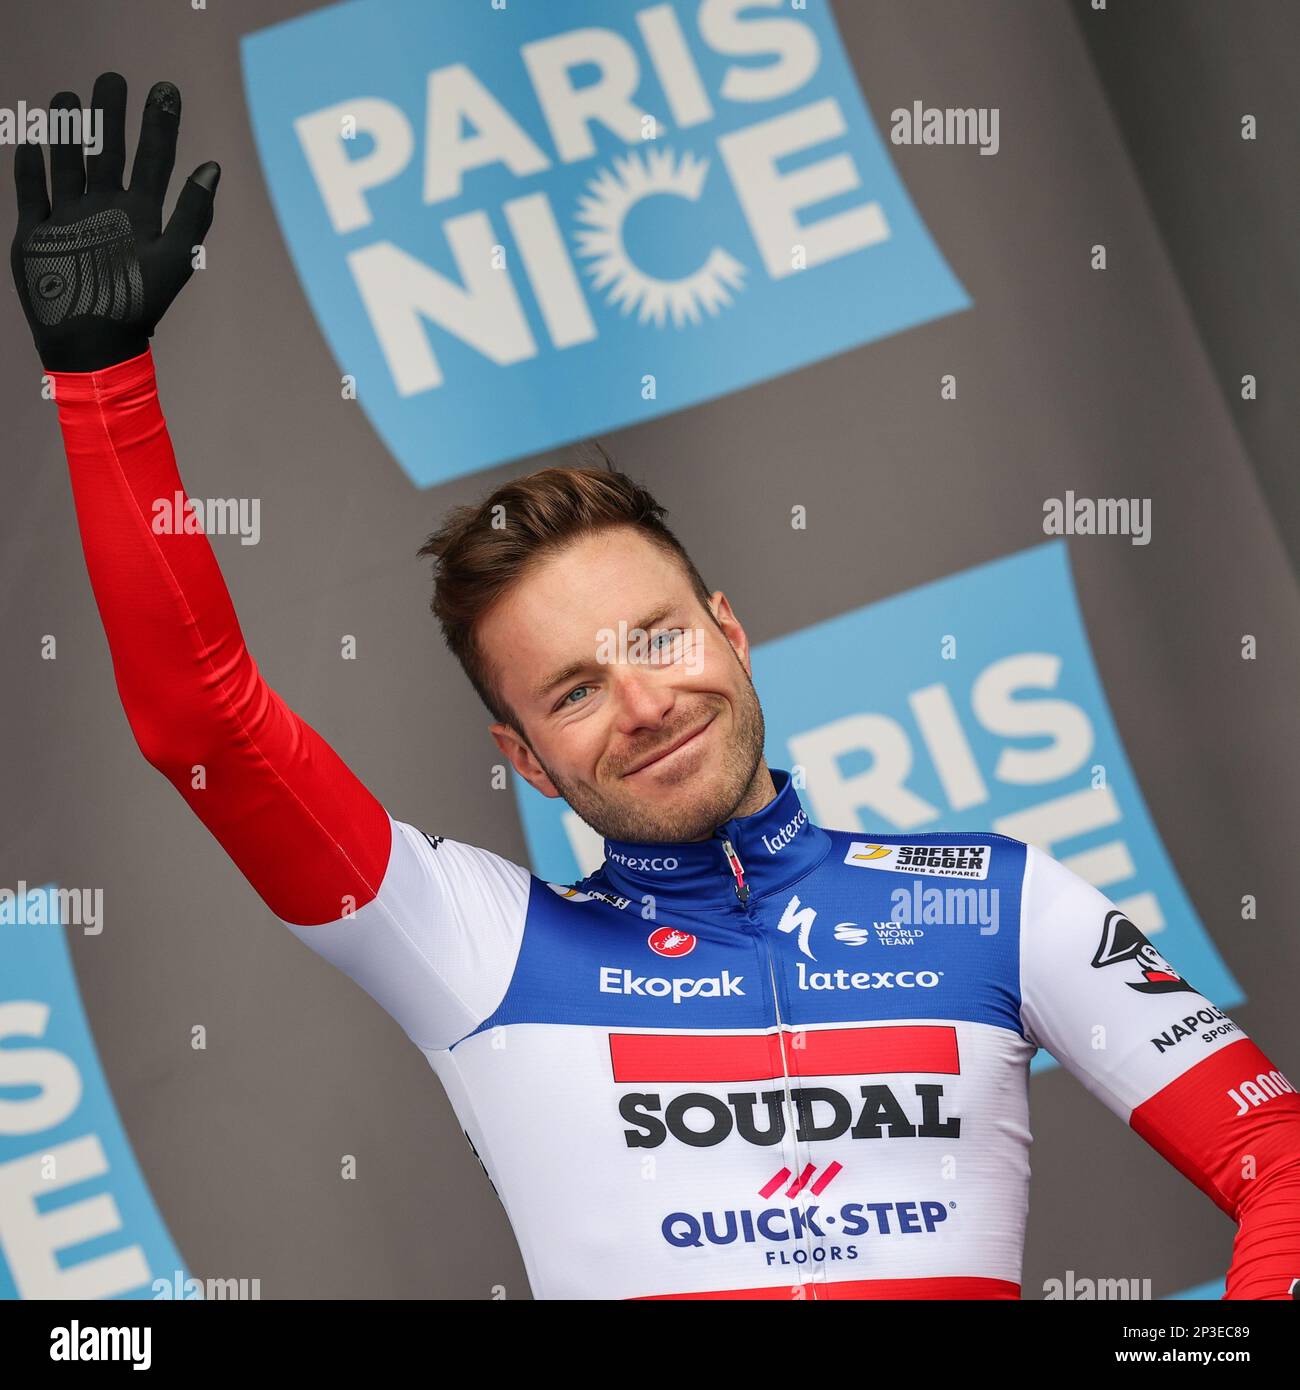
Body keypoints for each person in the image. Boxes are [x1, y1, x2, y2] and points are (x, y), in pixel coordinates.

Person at [13, 72, 1300, 1302]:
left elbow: (1280, 1163)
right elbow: (205, 724)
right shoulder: (473, 947)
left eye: (658, 641)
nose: (641, 705)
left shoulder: (1001, 902)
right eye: (571, 694)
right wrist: (103, 390)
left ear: (730, 632)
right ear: (522, 757)